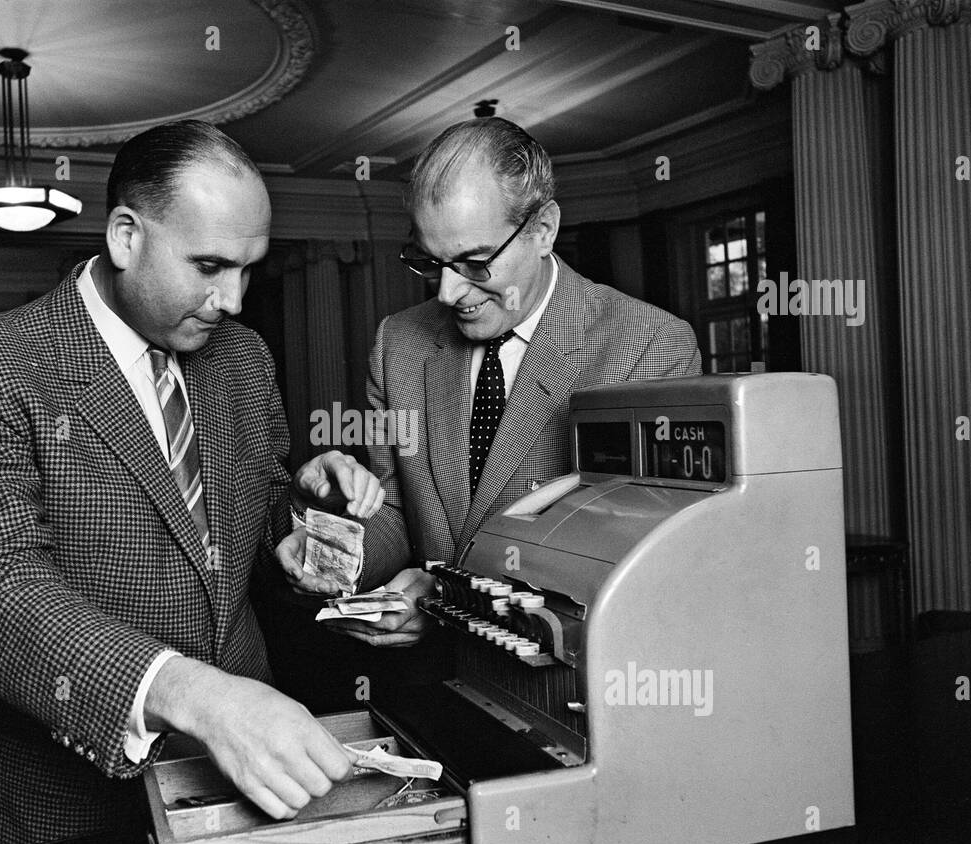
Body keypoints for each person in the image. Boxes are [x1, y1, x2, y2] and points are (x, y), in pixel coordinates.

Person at [0, 120, 384, 844]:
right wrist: (195, 696)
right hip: (64, 808)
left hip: (241, 788)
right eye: (210, 265)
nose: (232, 299)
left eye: (249, 269)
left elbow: (242, 531)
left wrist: (299, 512)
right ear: (127, 236)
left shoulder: (244, 359)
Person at [278, 117, 701, 646]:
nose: (450, 293)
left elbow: (632, 562)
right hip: (436, 686)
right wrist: (343, 541)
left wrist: (448, 599)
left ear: (543, 229)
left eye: (475, 263)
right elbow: (395, 511)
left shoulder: (648, 345)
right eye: (432, 263)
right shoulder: (398, 343)